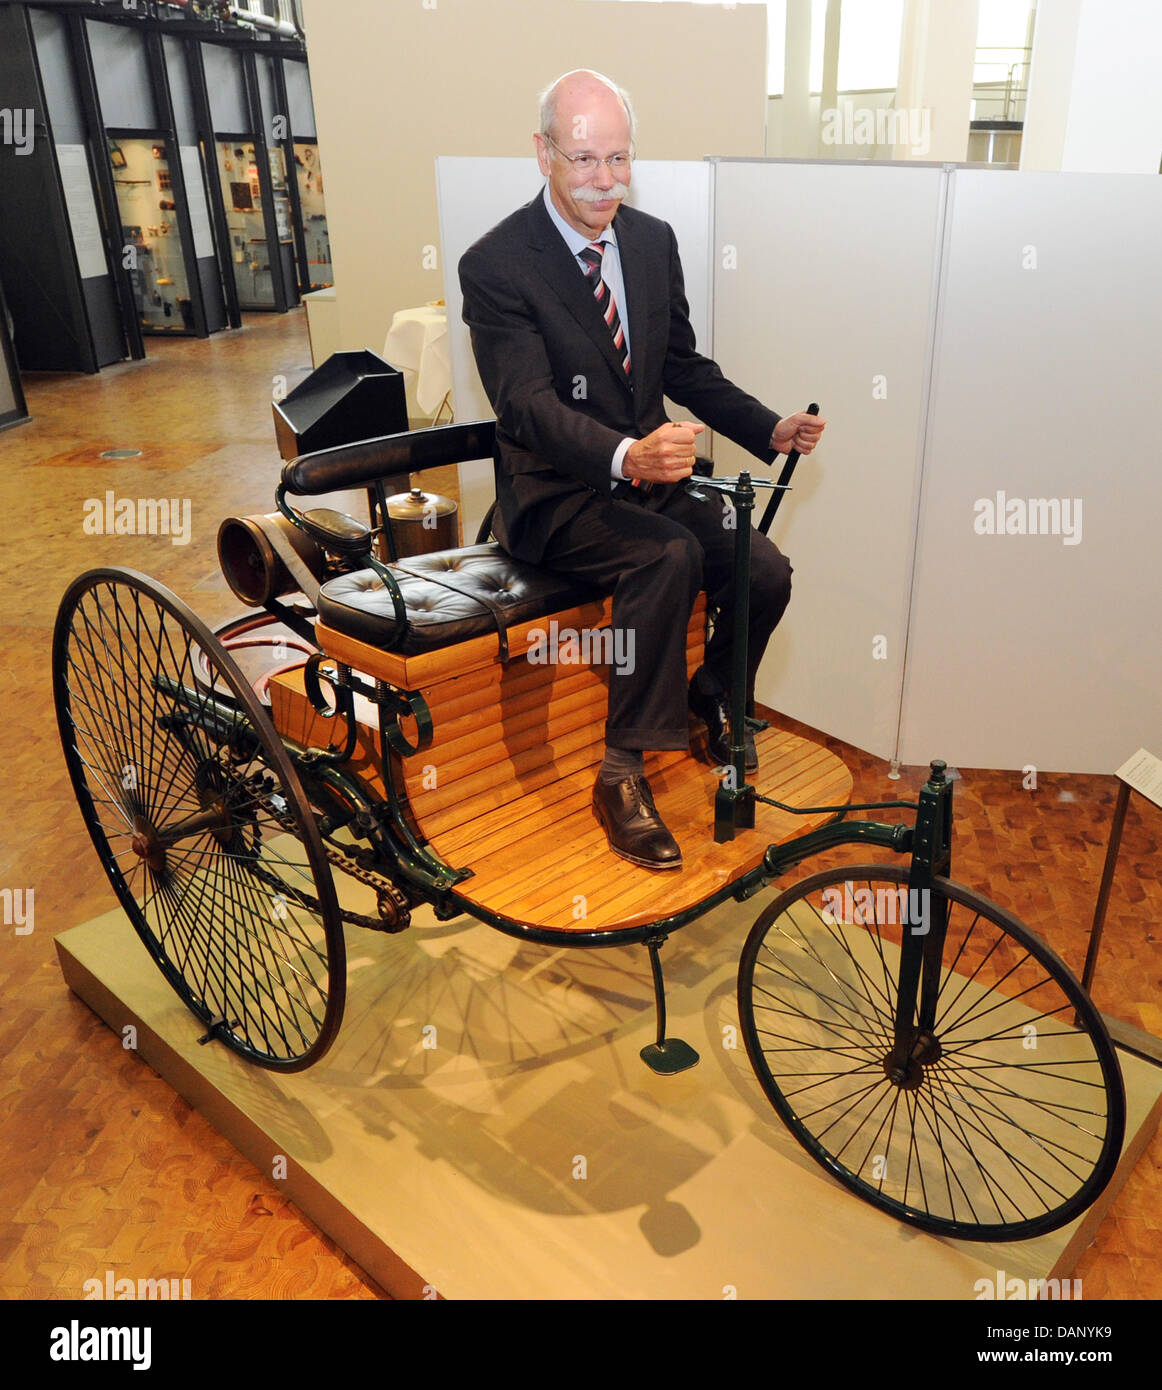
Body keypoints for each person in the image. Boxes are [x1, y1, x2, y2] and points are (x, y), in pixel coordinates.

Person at [458, 69, 824, 871]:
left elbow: (683, 367)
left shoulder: (652, 241)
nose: (605, 180)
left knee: (763, 566)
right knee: (667, 553)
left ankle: (715, 695)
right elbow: (525, 406)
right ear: (543, 154)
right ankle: (622, 772)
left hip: (646, 480)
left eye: (619, 159)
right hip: (555, 495)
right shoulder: (497, 264)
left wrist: (769, 427)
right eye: (585, 160)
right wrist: (626, 453)